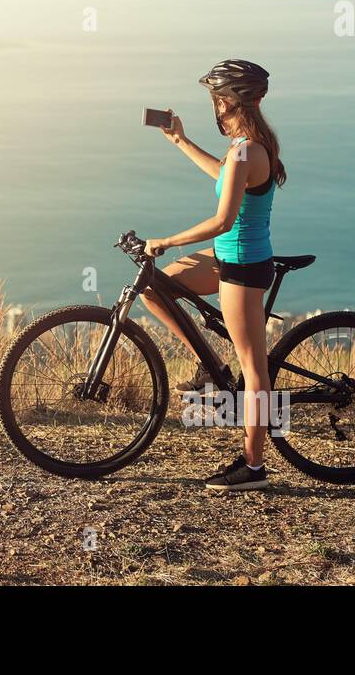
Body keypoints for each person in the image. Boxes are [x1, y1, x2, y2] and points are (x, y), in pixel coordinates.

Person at [139, 59, 287, 492]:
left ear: (229, 101)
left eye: (216, 98)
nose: (214, 106)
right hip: (228, 256)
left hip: (241, 266)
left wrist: (167, 239)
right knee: (155, 289)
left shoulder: (247, 151)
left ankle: (253, 465)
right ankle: (212, 366)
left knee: (255, 369)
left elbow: (224, 220)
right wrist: (180, 140)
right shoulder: (248, 145)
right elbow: (226, 179)